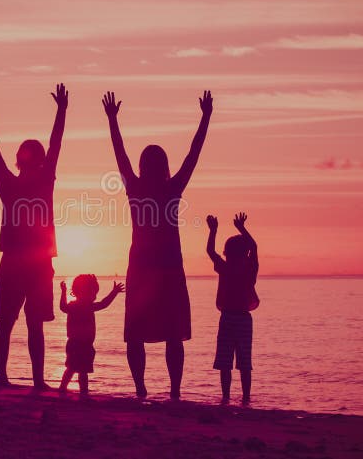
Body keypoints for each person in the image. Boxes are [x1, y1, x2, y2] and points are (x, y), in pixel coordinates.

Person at [103, 90, 214, 400]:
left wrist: (112, 120)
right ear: (164, 165)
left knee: (138, 334)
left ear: (143, 166)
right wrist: (205, 117)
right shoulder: (170, 188)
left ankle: (142, 390)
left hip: (142, 267)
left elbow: (120, 154)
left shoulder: (136, 188)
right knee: (172, 333)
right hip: (166, 268)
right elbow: (193, 154)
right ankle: (174, 392)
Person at [0, 84, 68, 389]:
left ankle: (32, 381)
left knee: (31, 324)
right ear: (27, 162)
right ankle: (4, 377)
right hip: (17, 263)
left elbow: (54, 145)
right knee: (9, 322)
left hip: (37, 263)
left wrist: (62, 111)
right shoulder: (10, 182)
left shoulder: (42, 180)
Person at [206, 212, 260, 405]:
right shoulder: (249, 267)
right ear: (245, 253)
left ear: (228, 253)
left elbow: (211, 251)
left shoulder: (226, 267)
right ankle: (244, 398)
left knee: (225, 361)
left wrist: (213, 231)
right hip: (242, 318)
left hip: (229, 317)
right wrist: (241, 228)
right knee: (242, 362)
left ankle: (227, 397)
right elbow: (253, 247)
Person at [58, 275, 124, 396]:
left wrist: (114, 292)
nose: (94, 295)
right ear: (80, 292)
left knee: (76, 369)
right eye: (92, 292)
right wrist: (63, 292)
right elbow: (104, 303)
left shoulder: (82, 306)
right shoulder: (81, 306)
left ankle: (72, 390)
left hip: (85, 344)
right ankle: (76, 391)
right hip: (77, 344)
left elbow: (104, 303)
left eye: (95, 292)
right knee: (77, 369)